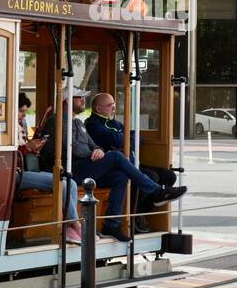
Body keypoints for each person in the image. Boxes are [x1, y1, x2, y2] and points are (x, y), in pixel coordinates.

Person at [36, 86, 186, 242]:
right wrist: (95, 153)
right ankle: (155, 191)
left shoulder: (78, 122)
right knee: (115, 156)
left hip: (84, 166)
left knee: (119, 176)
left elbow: (92, 145)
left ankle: (111, 225)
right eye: (79, 97)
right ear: (66, 101)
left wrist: (99, 150)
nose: (83, 100)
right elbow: (73, 149)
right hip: (70, 169)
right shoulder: (57, 120)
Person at [84, 92, 177, 234]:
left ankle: (141, 210)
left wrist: (127, 140)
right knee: (152, 177)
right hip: (118, 168)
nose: (114, 109)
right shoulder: (92, 124)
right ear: (98, 108)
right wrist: (125, 140)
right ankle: (135, 217)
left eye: (114, 105)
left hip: (133, 163)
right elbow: (118, 139)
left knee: (169, 176)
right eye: (110, 106)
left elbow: (137, 137)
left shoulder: (113, 122)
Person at [16, 135, 82, 244]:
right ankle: (76, 225)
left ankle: (69, 230)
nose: (21, 116)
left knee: (72, 183)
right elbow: (10, 154)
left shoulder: (21, 125)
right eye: (19, 115)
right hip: (14, 174)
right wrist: (27, 147)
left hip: (27, 171)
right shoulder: (8, 126)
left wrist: (33, 149)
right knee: (62, 184)